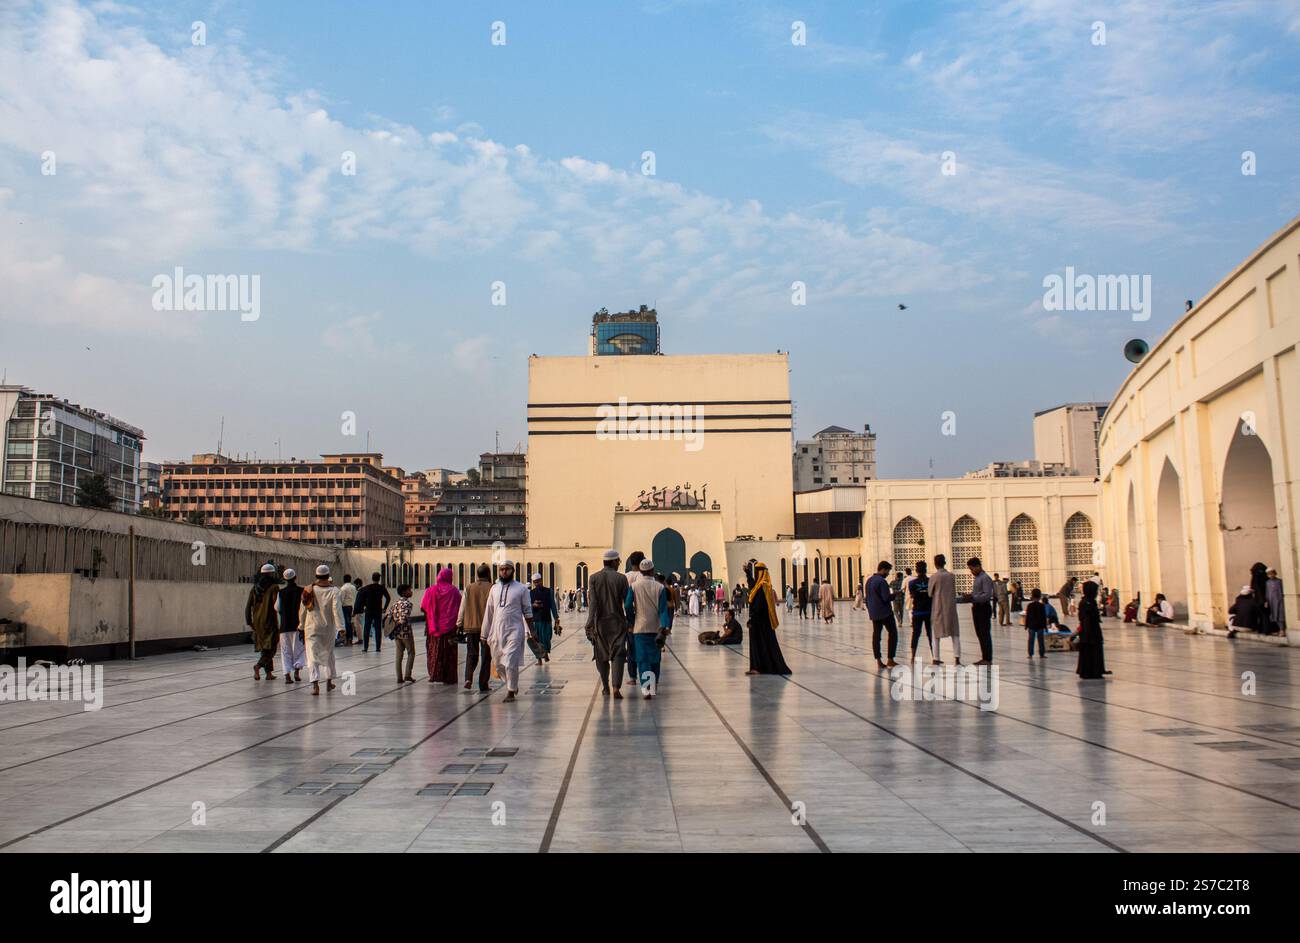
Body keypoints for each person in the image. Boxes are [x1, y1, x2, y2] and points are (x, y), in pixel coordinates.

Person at [481, 561, 534, 702]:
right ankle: (512, 684)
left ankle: (511, 691)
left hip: (515, 630)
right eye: (502, 569)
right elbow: (489, 612)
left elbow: (527, 611)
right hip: (497, 632)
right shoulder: (494, 589)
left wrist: (532, 631)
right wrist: (484, 633)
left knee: (510, 661)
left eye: (507, 569)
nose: (504, 572)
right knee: (498, 664)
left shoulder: (522, 589)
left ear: (513, 571)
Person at [586, 549, 630, 698]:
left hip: (600, 623)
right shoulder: (621, 578)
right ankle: (616, 687)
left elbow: (593, 602)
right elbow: (627, 603)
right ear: (613, 561)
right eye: (618, 561)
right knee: (618, 653)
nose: (618, 564)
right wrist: (630, 619)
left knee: (601, 655)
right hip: (617, 622)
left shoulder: (593, 578)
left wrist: (590, 622)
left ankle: (605, 686)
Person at [626, 558, 668, 696]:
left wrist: (632, 621)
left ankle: (646, 689)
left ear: (641, 571)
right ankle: (654, 685)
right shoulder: (660, 587)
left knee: (642, 659)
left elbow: (627, 606)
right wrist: (665, 626)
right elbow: (663, 610)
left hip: (640, 628)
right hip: (656, 628)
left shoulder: (634, 586)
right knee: (655, 658)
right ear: (652, 570)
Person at [302, 564, 344, 695]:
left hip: (311, 628)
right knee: (328, 654)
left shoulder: (308, 590)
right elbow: (336, 610)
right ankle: (329, 682)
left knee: (312, 656)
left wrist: (300, 625)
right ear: (328, 576)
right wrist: (341, 627)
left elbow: (302, 609)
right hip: (328, 629)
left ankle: (315, 685)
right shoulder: (335, 591)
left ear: (316, 576)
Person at [745, 561, 791, 676]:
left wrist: (752, 618)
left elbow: (759, 605)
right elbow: (752, 585)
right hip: (758, 621)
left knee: (761, 644)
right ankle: (757, 667)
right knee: (759, 644)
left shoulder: (764, 586)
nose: (756, 574)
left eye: (757, 572)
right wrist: (747, 572)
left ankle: (758, 667)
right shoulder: (758, 586)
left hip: (761, 621)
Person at [457, 564, 494, 692]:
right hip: (487, 628)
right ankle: (483, 684)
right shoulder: (492, 588)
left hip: (471, 626)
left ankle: (468, 678)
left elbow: (462, 607)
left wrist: (459, 623)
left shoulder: (469, 587)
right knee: (486, 656)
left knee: (471, 653)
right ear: (488, 574)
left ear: (477, 575)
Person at [421, 567, 462, 684]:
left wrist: (432, 618)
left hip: (433, 628)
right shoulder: (454, 591)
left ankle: (434, 674)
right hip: (450, 628)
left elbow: (423, 607)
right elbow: (460, 608)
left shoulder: (430, 591)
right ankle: (449, 677)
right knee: (449, 652)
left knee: (434, 650)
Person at [245, 562, 280, 681]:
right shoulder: (274, 587)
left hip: (257, 622)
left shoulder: (254, 588)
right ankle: (258, 666)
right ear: (271, 573)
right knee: (272, 647)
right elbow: (277, 605)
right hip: (269, 620)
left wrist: (249, 621)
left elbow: (248, 605)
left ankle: (269, 673)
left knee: (265, 647)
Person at [864, 561, 898, 669]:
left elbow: (867, 598)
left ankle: (878, 660)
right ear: (883, 569)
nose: (888, 573)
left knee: (876, 636)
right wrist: (895, 595)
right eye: (887, 571)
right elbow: (886, 598)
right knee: (893, 633)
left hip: (874, 613)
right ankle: (890, 659)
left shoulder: (869, 581)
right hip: (885, 612)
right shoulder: (882, 581)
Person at [930, 554, 961, 665]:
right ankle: (957, 658)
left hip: (938, 607)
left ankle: (936, 657)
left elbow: (930, 593)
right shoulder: (951, 576)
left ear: (935, 563)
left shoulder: (934, 577)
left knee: (936, 634)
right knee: (955, 633)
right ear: (945, 562)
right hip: (951, 607)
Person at [275, 567, 305, 683]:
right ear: (295, 577)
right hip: (299, 625)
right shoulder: (302, 591)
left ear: (284, 579)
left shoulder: (281, 593)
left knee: (286, 650)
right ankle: (297, 672)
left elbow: (277, 607)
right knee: (299, 649)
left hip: (285, 626)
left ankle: (287, 675)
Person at [1075, 581, 1106, 679]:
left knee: (1092, 652)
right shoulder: (1086, 603)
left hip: (1091, 631)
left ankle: (1095, 670)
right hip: (1090, 632)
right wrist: (1088, 634)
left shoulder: (1090, 601)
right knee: (1091, 652)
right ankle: (1091, 671)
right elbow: (1086, 619)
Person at [354, 572, 391, 654]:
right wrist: (384, 608)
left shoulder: (367, 588)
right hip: (378, 611)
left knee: (366, 629)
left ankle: (365, 648)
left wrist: (361, 608)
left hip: (368, 610)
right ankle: (378, 648)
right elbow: (388, 598)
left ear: (372, 578)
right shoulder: (382, 588)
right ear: (379, 579)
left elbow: (360, 597)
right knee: (378, 629)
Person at [967, 557, 994, 665]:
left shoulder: (985, 578)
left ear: (978, 566)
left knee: (984, 633)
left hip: (983, 608)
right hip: (977, 608)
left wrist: (973, 597)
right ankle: (984, 657)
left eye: (972, 569)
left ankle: (987, 658)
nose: (971, 571)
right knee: (980, 633)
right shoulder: (978, 578)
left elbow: (987, 595)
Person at [387, 584, 416, 683]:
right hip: (406, 632)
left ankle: (399, 677)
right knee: (411, 652)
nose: (411, 592)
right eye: (409, 590)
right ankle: (408, 675)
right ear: (404, 592)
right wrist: (401, 622)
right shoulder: (407, 604)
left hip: (396, 633)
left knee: (399, 656)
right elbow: (403, 619)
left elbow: (389, 616)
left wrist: (394, 627)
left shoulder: (395, 604)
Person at [907, 560, 933, 662]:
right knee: (930, 634)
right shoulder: (930, 581)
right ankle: (934, 656)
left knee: (916, 633)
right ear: (926, 570)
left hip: (917, 611)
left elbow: (912, 595)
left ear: (916, 571)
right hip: (929, 611)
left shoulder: (912, 583)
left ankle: (913, 656)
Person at [1023, 588, 1047, 659]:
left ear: (1032, 596)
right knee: (1041, 640)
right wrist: (1045, 626)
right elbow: (1044, 617)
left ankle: (1030, 654)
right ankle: (1041, 654)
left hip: (1031, 625)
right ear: (1040, 597)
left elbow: (1027, 616)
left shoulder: (1029, 605)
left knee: (1031, 640)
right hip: (1040, 626)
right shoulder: (1042, 606)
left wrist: (1026, 625)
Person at [339, 574, 358, 646]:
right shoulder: (354, 587)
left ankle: (347, 640)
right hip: (352, 607)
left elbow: (341, 599)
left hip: (345, 607)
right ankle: (350, 639)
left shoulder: (343, 588)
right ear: (350, 579)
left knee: (346, 624)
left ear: (344, 580)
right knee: (350, 623)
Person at [1266, 569, 1286, 635]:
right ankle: (1279, 629)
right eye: (1269, 574)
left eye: (1272, 573)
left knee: (1280, 615)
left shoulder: (1280, 581)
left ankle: (1282, 629)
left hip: (1280, 601)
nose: (1271, 575)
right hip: (1272, 602)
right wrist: (1267, 601)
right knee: (1274, 615)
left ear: (1275, 573)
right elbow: (1267, 593)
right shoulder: (1267, 583)